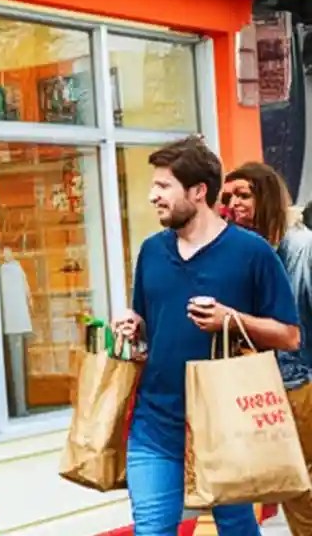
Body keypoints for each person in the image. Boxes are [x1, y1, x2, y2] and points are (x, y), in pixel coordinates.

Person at [115, 139, 300, 536]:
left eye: (164, 186)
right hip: (156, 424)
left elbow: (289, 336)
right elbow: (153, 328)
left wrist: (230, 319)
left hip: (227, 424)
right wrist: (134, 326)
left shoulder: (252, 253)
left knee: (236, 530)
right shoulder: (150, 252)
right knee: (151, 529)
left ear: (198, 191)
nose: (152, 196)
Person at [221, 162, 312, 535]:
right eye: (228, 196)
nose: (234, 203)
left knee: (301, 484)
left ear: (268, 197)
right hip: (265, 391)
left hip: (301, 383)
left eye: (244, 194)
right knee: (293, 486)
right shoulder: (246, 251)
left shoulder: (300, 247)